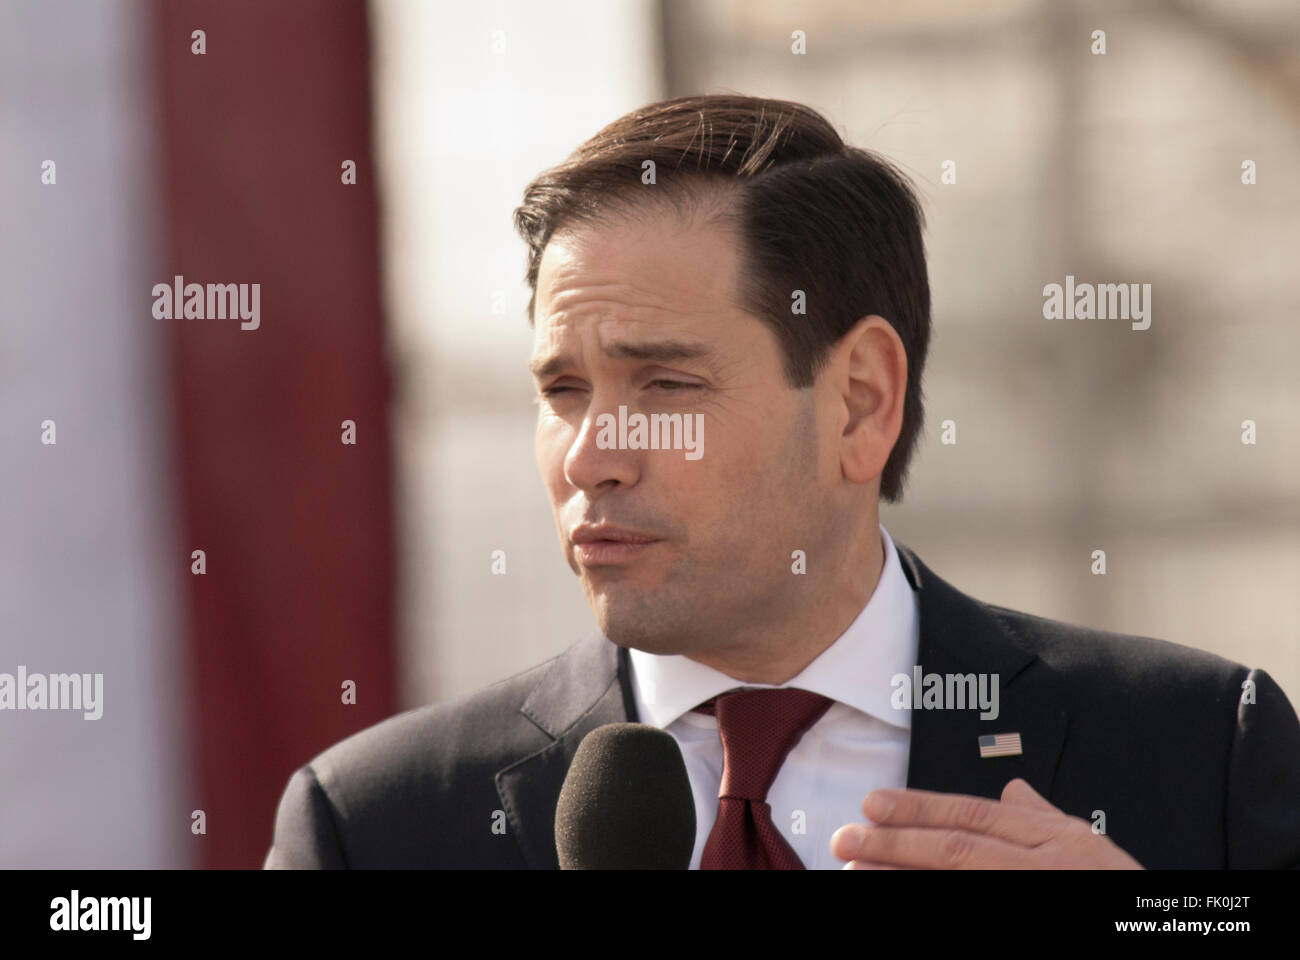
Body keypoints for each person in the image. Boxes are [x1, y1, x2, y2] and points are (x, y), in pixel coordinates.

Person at [263, 94, 1300, 869]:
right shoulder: (375, 824)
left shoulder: (1199, 750)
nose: (589, 455)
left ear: (858, 401)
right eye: (563, 389)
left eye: (665, 383)